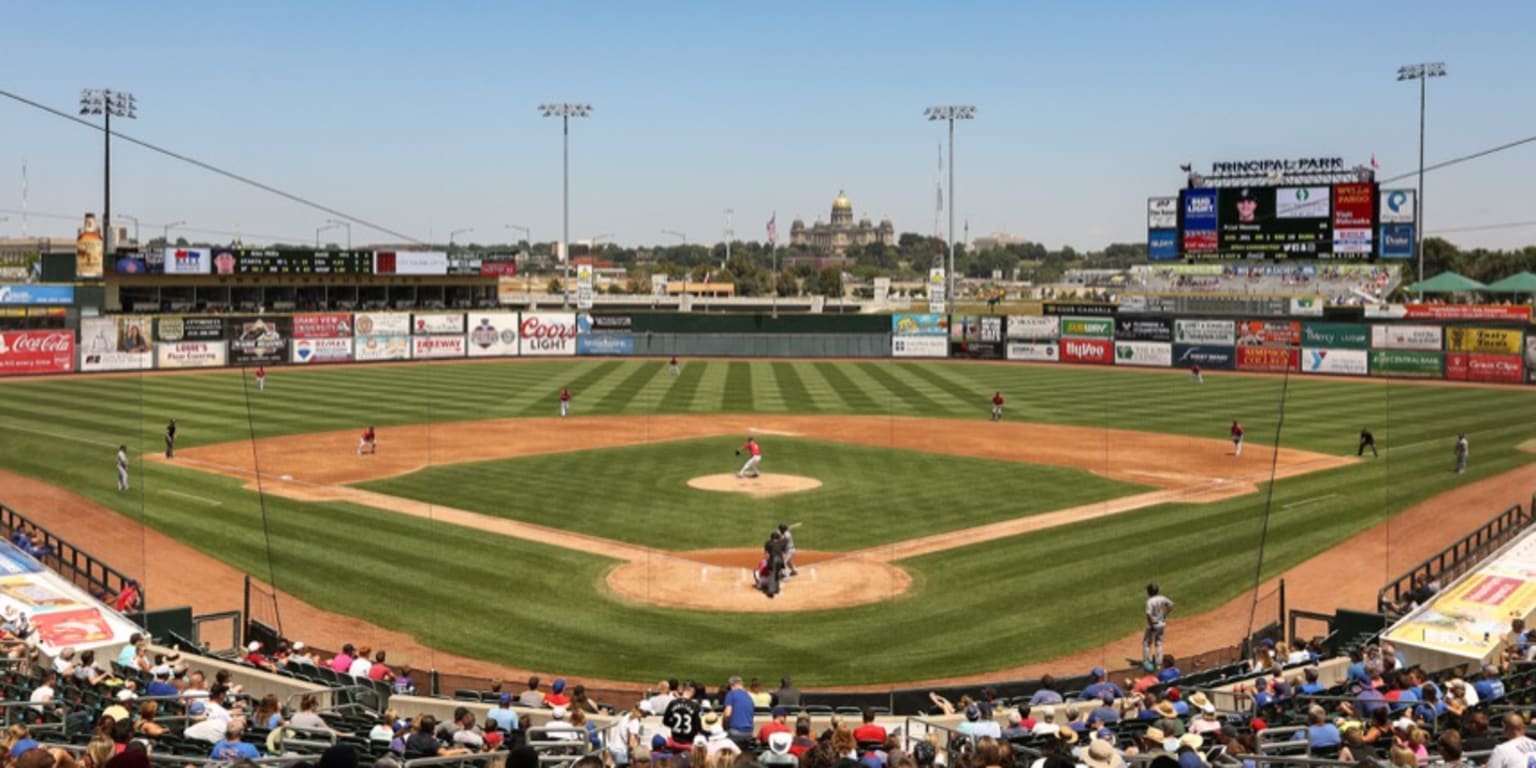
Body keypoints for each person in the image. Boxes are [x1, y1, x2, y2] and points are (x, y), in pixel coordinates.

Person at [1144, 582, 1174, 667]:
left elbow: (1148, 615)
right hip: (1162, 624)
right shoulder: (1162, 598)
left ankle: (1147, 662)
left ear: (1149, 592)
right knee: (1159, 642)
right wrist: (1164, 614)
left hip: (1153, 624)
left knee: (1147, 643)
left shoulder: (1149, 601)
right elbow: (1171, 606)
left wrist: (1152, 625)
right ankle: (1159, 662)